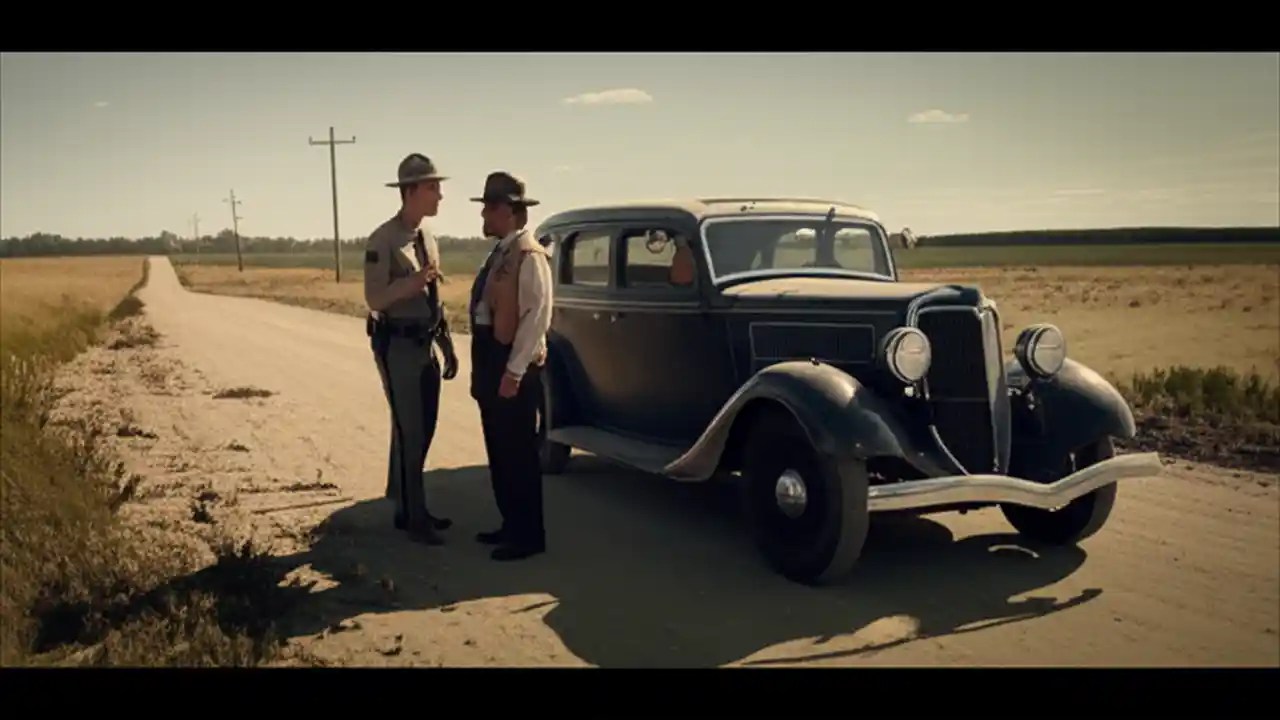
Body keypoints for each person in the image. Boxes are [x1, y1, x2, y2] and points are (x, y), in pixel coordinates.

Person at [363, 152, 460, 545]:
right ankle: (412, 515)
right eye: (433, 188)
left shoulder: (428, 237)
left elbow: (435, 295)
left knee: (427, 429)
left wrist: (448, 344)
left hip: (426, 344)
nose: (439, 195)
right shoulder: (382, 240)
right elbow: (374, 298)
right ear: (411, 192)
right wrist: (411, 282)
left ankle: (411, 506)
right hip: (398, 346)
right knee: (411, 432)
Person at [467, 171, 553, 561]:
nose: (484, 214)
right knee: (500, 450)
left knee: (518, 453)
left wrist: (514, 372)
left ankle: (528, 535)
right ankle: (511, 524)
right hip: (493, 359)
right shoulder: (502, 250)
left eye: (488, 207)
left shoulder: (529, 255)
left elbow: (536, 318)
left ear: (506, 211)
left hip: (512, 364)